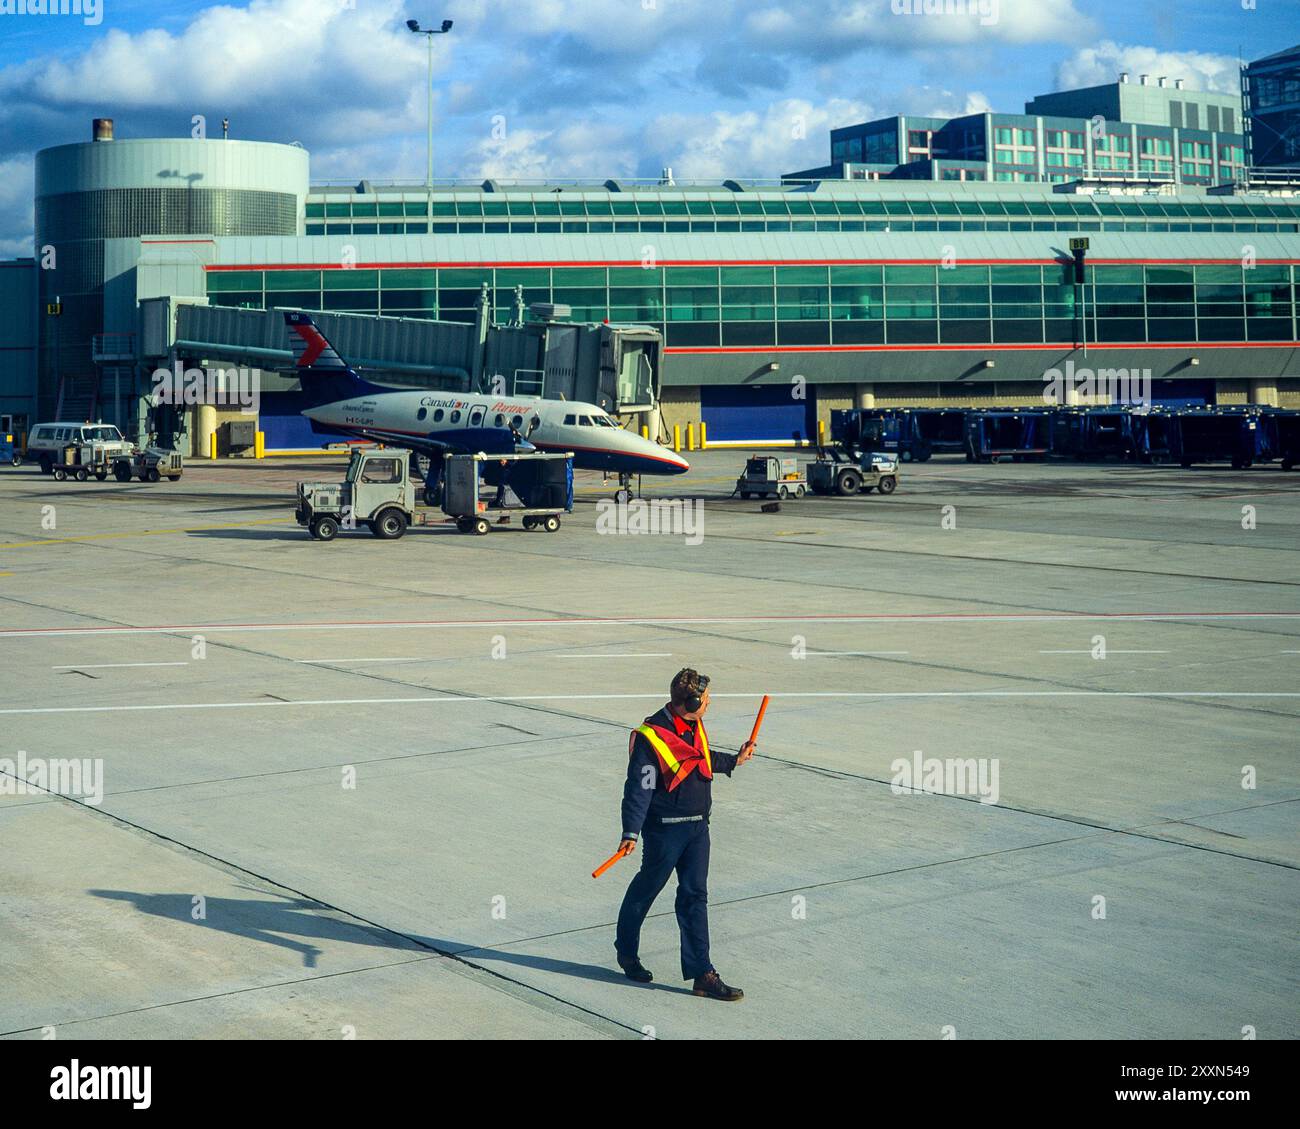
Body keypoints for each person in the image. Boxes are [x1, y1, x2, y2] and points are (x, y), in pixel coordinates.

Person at [614, 668, 755, 1002]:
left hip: (697, 828)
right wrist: (631, 830)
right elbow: (640, 787)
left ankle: (702, 973)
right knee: (646, 890)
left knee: (695, 896)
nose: (709, 703)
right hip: (666, 831)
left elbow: (699, 759)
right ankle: (627, 953)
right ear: (691, 701)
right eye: (705, 699)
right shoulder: (653, 737)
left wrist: (734, 759)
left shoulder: (693, 725)